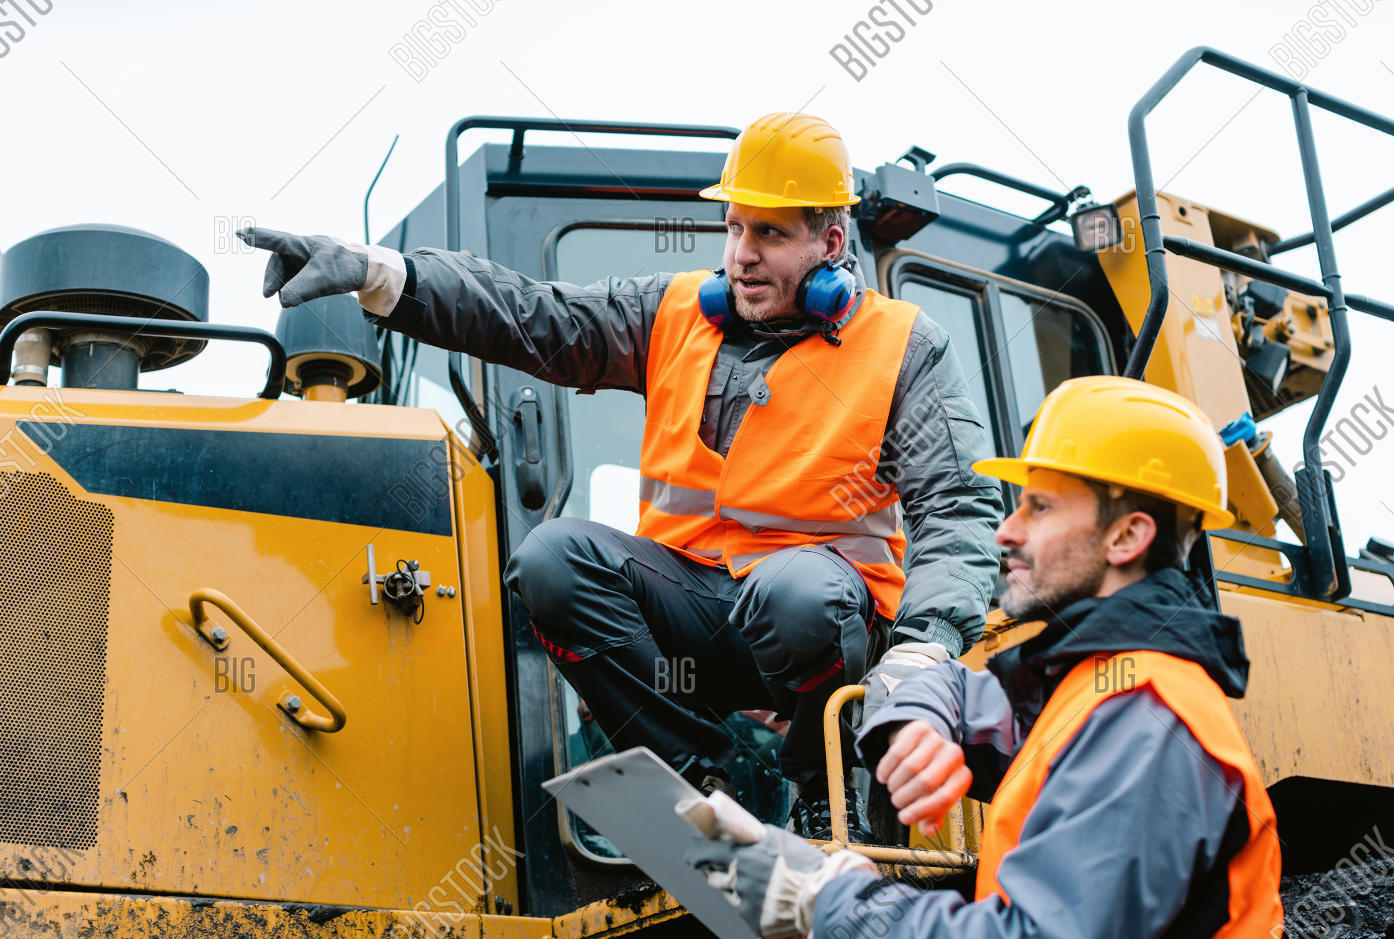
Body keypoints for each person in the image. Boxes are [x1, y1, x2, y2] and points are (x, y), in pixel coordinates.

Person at [238, 113, 1002, 838]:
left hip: (826, 628)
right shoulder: (672, 315)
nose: (740, 254)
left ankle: (823, 801)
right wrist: (382, 274)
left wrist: (925, 644)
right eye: (734, 227)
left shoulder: (902, 345)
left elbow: (959, 504)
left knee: (796, 592)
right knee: (552, 560)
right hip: (700, 621)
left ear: (831, 241)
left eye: (769, 233)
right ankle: (703, 789)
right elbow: (530, 314)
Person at [687, 376, 1313, 939]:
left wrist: (835, 902)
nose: (1006, 531)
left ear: (1128, 536)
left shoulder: (1145, 720)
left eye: (1040, 507)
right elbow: (954, 689)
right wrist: (917, 721)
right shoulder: (1094, 687)